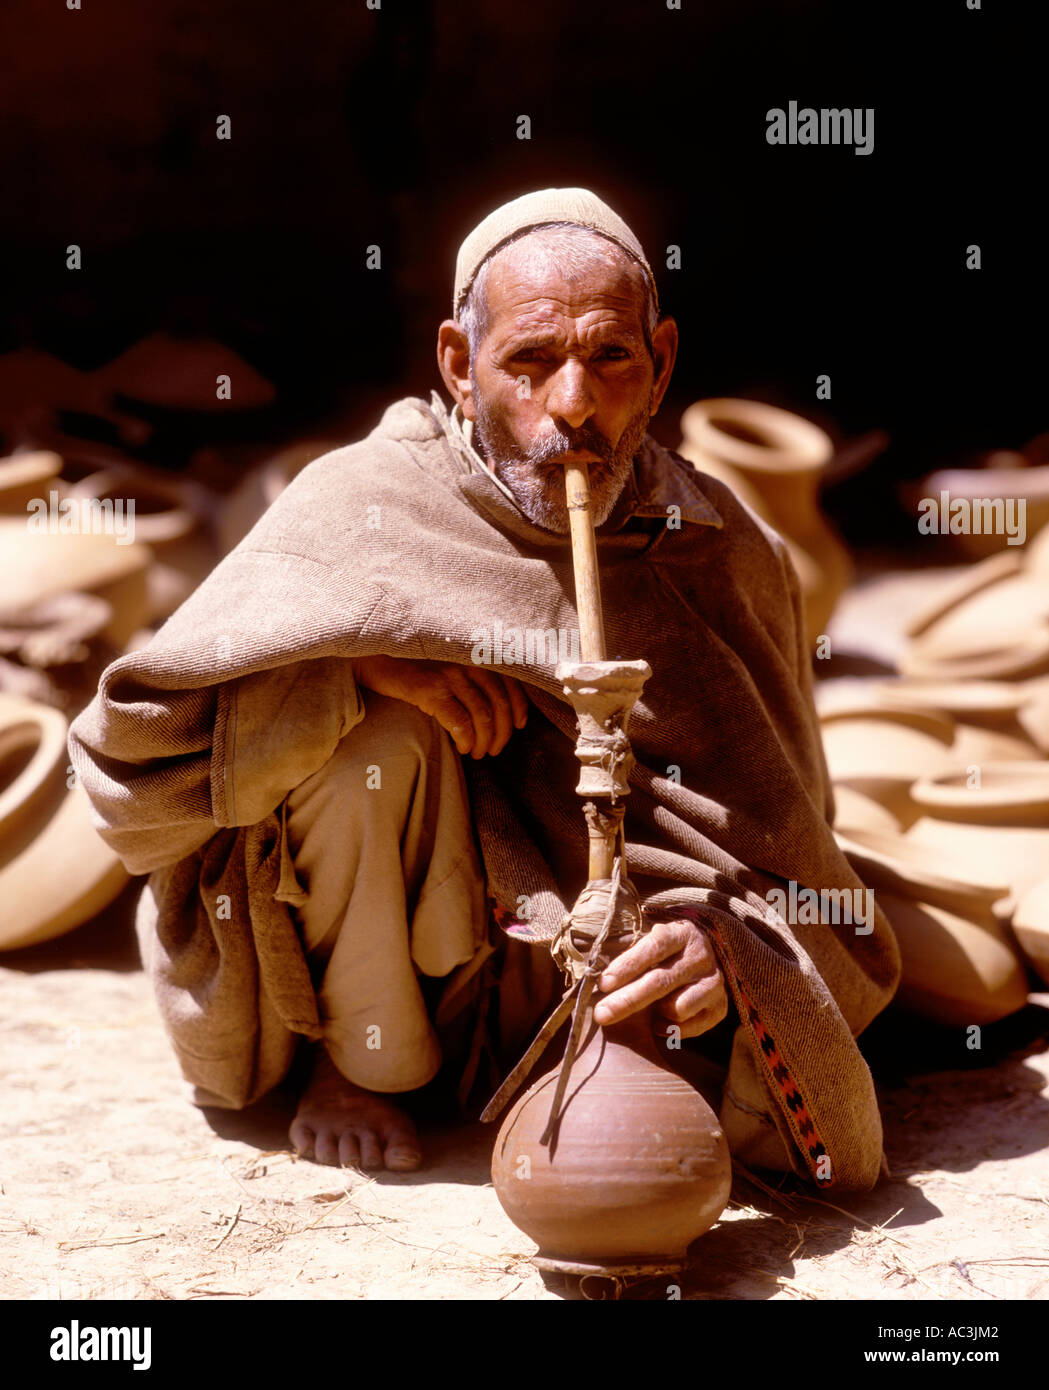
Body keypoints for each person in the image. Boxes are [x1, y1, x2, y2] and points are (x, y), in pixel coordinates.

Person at [70, 188, 901, 1189]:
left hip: (603, 982)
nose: (572, 407)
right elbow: (128, 766)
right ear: (460, 367)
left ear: (662, 362)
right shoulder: (364, 505)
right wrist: (349, 673)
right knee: (368, 746)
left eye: (610, 359)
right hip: (415, 967)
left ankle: (596, 1065)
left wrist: (725, 946)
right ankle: (364, 1070)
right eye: (528, 361)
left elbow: (792, 833)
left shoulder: (719, 547)